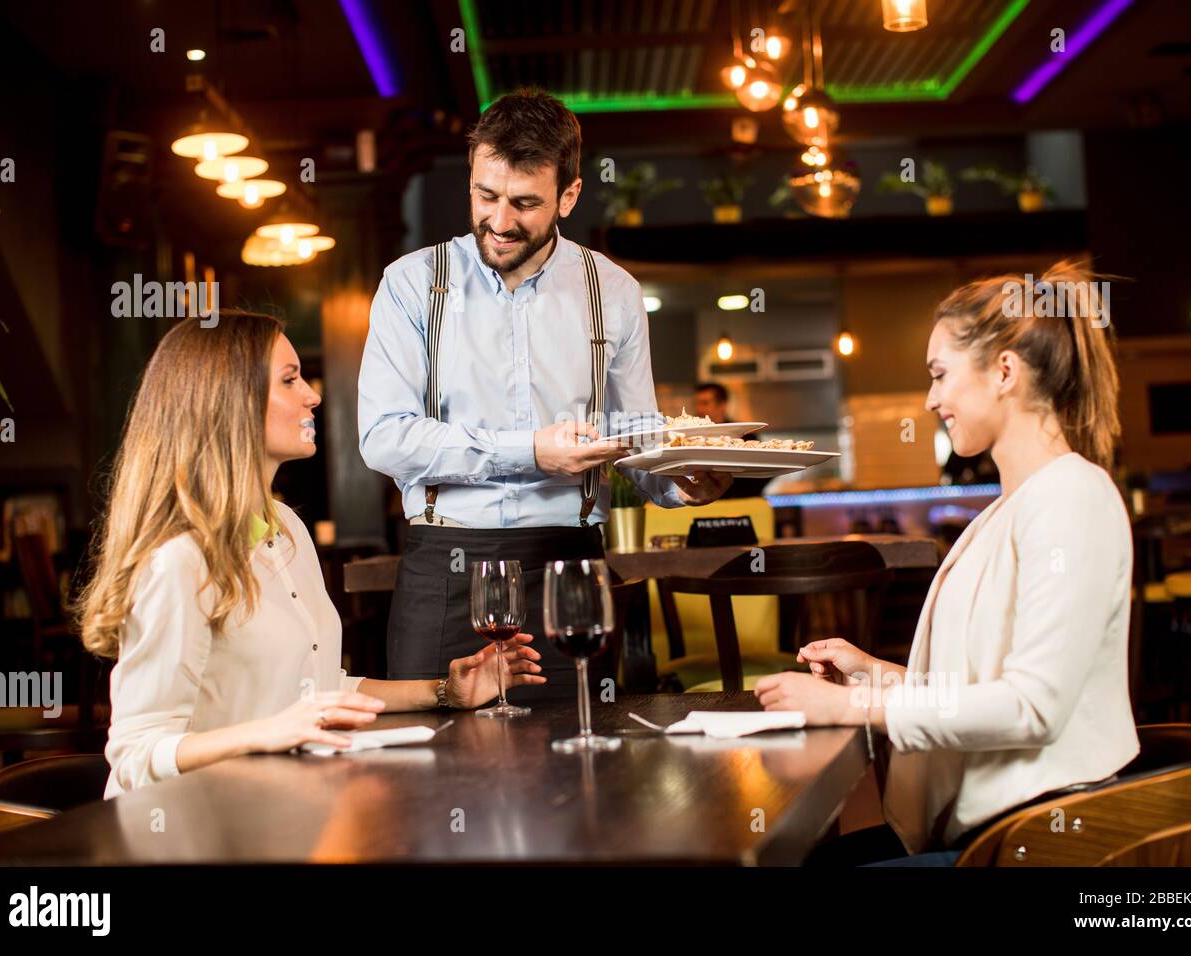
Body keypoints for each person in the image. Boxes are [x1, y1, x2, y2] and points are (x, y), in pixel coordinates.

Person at [755, 260, 1138, 865]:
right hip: (995, 823)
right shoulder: (1008, 509)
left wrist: (849, 707)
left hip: (1035, 835)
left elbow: (1030, 709)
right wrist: (873, 674)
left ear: (1005, 371)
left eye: (939, 375)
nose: (931, 399)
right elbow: (982, 690)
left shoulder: (1072, 497)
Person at [77, 312, 546, 798]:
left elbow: (322, 688)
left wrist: (444, 692)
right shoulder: (178, 558)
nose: (313, 394)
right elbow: (135, 753)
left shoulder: (288, 529)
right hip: (191, 832)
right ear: (229, 401)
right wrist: (265, 733)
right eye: (289, 379)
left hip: (277, 810)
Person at [358, 89, 730, 700]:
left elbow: (635, 441)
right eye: (486, 196)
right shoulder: (411, 285)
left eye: (525, 203)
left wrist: (681, 482)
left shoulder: (613, 290)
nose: (500, 222)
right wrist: (530, 451)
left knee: (581, 774)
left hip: (571, 570)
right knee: (430, 782)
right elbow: (385, 438)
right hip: (445, 570)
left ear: (568, 196)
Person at [691, 381, 768, 499]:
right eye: (697, 403)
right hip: (702, 504)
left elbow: (763, 473)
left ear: (722, 405)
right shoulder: (690, 439)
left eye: (705, 403)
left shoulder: (745, 436)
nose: (699, 409)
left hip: (743, 503)